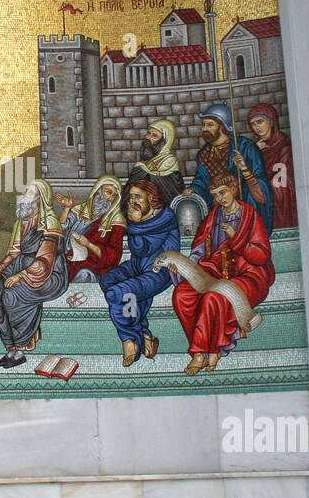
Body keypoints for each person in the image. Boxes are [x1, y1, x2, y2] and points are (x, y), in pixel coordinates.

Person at [169, 173, 274, 374]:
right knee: (182, 294)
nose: (220, 199)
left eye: (223, 193)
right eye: (216, 195)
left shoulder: (249, 215)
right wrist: (184, 269)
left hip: (247, 274)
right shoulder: (214, 216)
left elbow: (261, 255)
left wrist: (237, 239)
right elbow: (200, 250)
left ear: (234, 189)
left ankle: (206, 352)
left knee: (213, 297)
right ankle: (201, 352)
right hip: (214, 272)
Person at [0, 180, 69, 368]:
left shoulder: (49, 222)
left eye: (29, 193)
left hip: (48, 274)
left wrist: (21, 276)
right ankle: (10, 345)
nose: (23, 195)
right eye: (24, 191)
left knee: (12, 294)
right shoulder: (21, 222)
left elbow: (45, 260)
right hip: (22, 268)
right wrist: (0, 268)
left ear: (39, 199)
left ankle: (20, 349)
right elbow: (14, 252)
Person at [100, 180, 180, 367]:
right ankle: (143, 333)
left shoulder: (165, 218)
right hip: (138, 266)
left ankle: (130, 339)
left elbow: (144, 248)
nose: (132, 201)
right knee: (107, 280)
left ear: (151, 199)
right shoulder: (142, 217)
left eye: (138, 197)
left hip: (159, 270)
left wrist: (134, 224)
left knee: (117, 293)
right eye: (131, 197)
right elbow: (137, 252)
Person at [184, 103, 273, 234]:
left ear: (222, 126)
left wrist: (244, 169)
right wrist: (193, 189)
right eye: (203, 125)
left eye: (209, 125)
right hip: (220, 208)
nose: (204, 129)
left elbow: (260, 182)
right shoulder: (203, 154)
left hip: (244, 207)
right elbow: (202, 180)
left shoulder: (244, 146)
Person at [56, 175, 126, 283]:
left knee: (84, 275)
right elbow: (61, 228)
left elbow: (114, 256)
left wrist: (89, 245)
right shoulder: (81, 209)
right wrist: (66, 208)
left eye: (114, 196)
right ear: (98, 190)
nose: (109, 198)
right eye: (108, 192)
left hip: (95, 267)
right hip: (68, 259)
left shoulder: (116, 220)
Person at [246, 103, 297, 228]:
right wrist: (256, 152)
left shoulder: (283, 146)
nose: (257, 127)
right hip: (261, 190)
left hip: (278, 192)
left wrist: (263, 187)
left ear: (271, 122)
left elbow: (283, 177)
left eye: (260, 122)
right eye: (253, 124)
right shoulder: (255, 147)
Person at [126, 118, 186, 206]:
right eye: (148, 133)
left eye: (154, 136)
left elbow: (172, 193)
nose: (148, 138)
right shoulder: (144, 163)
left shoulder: (169, 163)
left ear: (164, 143)